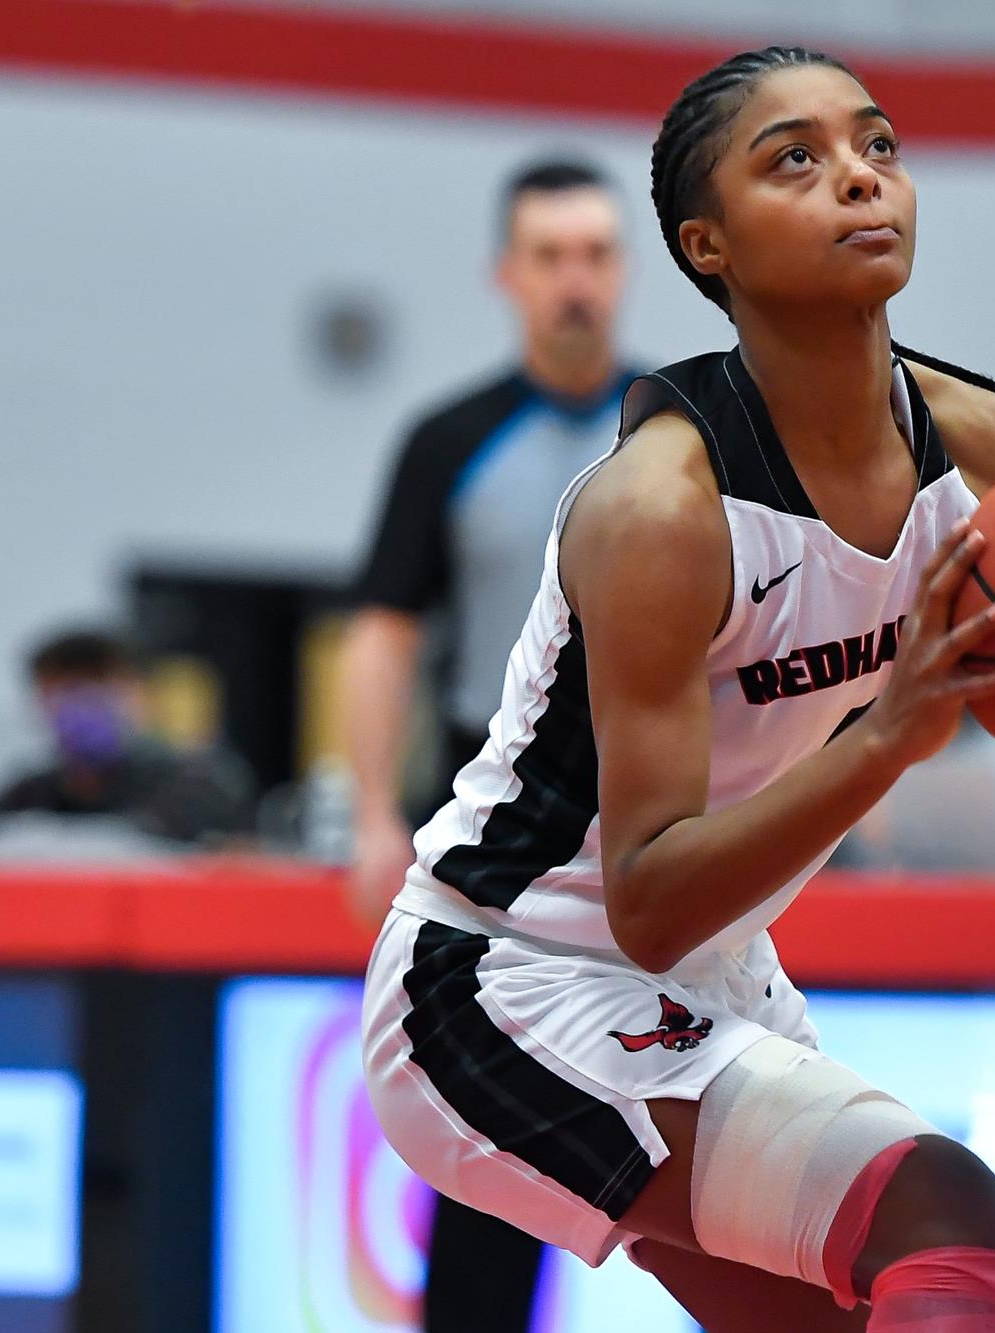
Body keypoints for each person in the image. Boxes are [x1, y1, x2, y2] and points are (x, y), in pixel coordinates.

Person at [360, 46, 995, 1332]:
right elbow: (646, 900)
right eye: (793, 160)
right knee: (952, 1217)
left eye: (876, 145)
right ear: (708, 245)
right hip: (503, 977)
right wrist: (887, 740)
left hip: (708, 970)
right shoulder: (661, 511)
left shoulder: (979, 445)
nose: (857, 176)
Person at [341, 158, 639, 1330]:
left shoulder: (681, 430)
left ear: (624, 269)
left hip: (656, 810)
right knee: (488, 1129)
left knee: (686, 1101)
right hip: (495, 825)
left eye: (595, 254)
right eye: (550, 256)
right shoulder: (450, 439)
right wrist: (371, 810)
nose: (575, 281)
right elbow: (383, 631)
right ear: (506, 275)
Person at [0, 628, 253, 854]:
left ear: (139, 695)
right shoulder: (34, 791)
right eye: (63, 691)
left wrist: (16, 845)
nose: (80, 704)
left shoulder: (200, 780)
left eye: (98, 685)